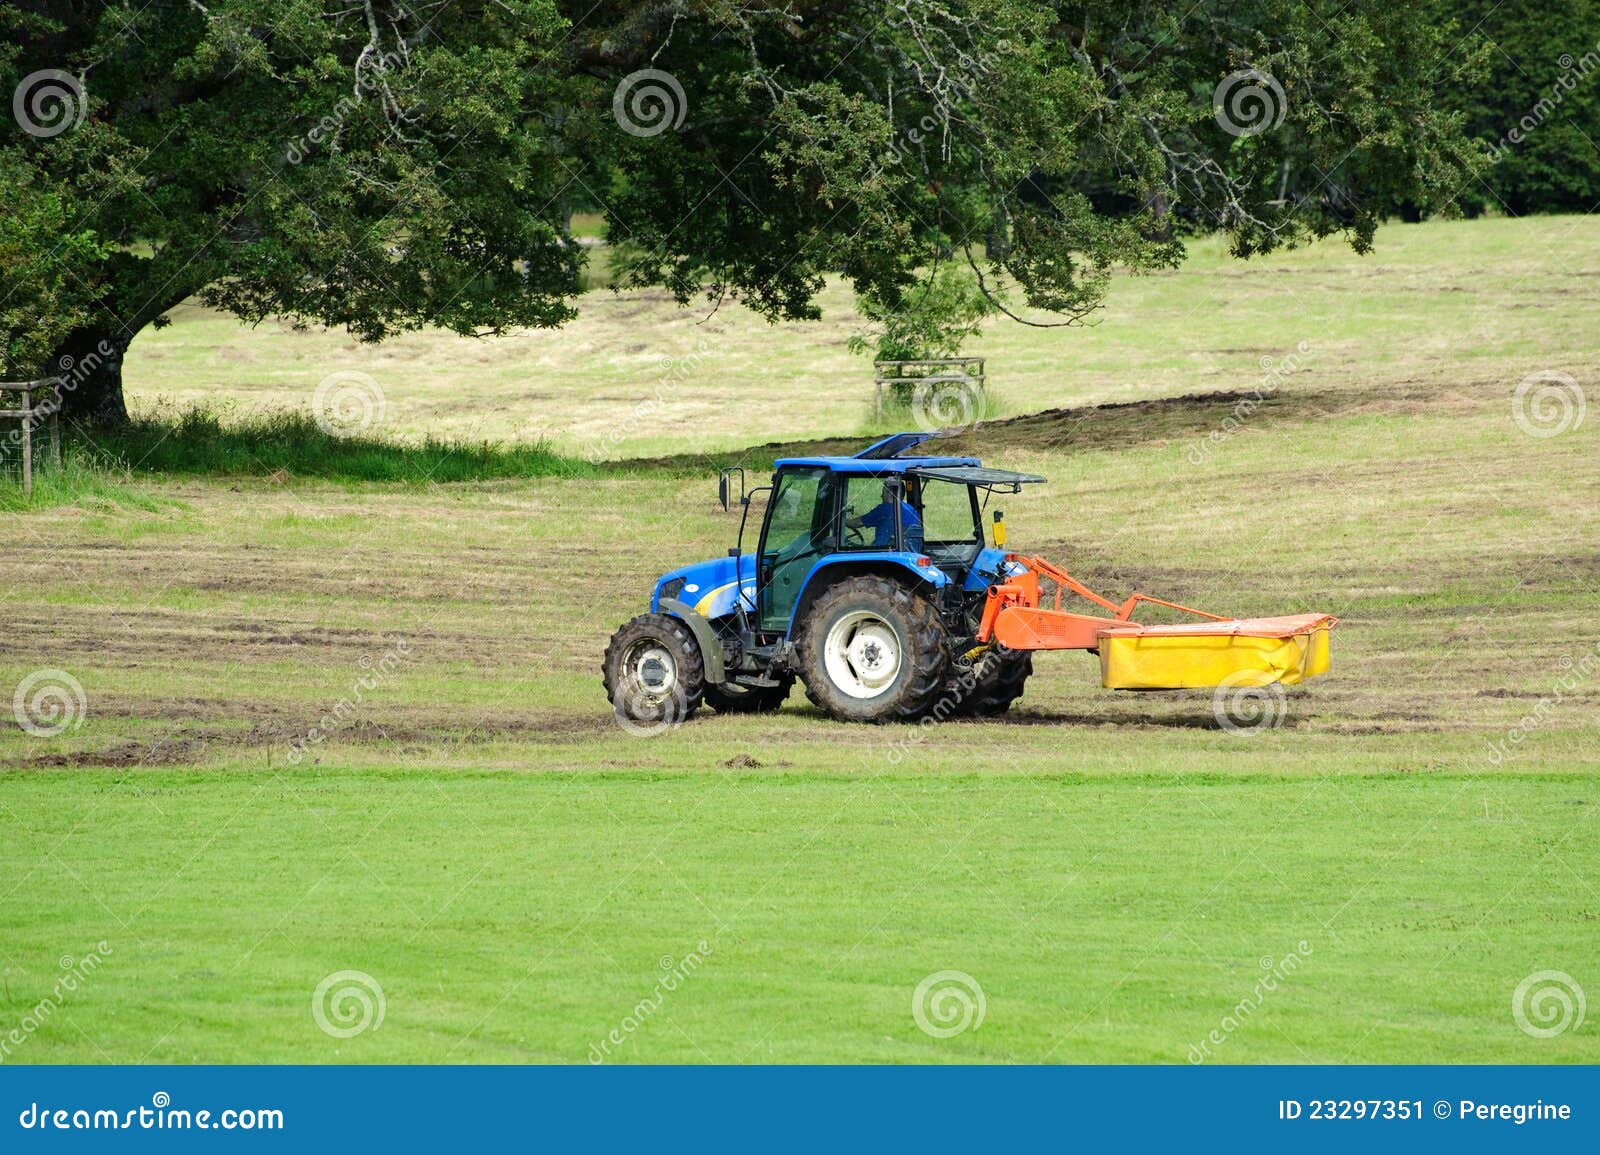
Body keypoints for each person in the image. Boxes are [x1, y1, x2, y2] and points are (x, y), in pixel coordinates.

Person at [847, 479, 922, 548]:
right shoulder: (912, 510)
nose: (881, 496)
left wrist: (841, 521)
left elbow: (855, 523)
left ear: (889, 494)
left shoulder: (884, 509)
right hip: (910, 550)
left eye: (883, 492)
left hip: (884, 552)